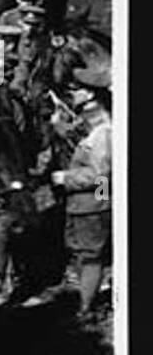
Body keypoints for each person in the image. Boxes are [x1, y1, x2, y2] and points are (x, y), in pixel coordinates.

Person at [51, 65, 112, 324]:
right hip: (82, 206)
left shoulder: (104, 134)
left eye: (76, 90)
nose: (71, 94)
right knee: (83, 255)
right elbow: (76, 136)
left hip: (92, 207)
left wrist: (66, 178)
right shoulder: (94, 129)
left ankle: (86, 310)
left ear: (91, 97)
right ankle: (85, 301)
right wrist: (58, 125)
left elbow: (102, 177)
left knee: (90, 258)